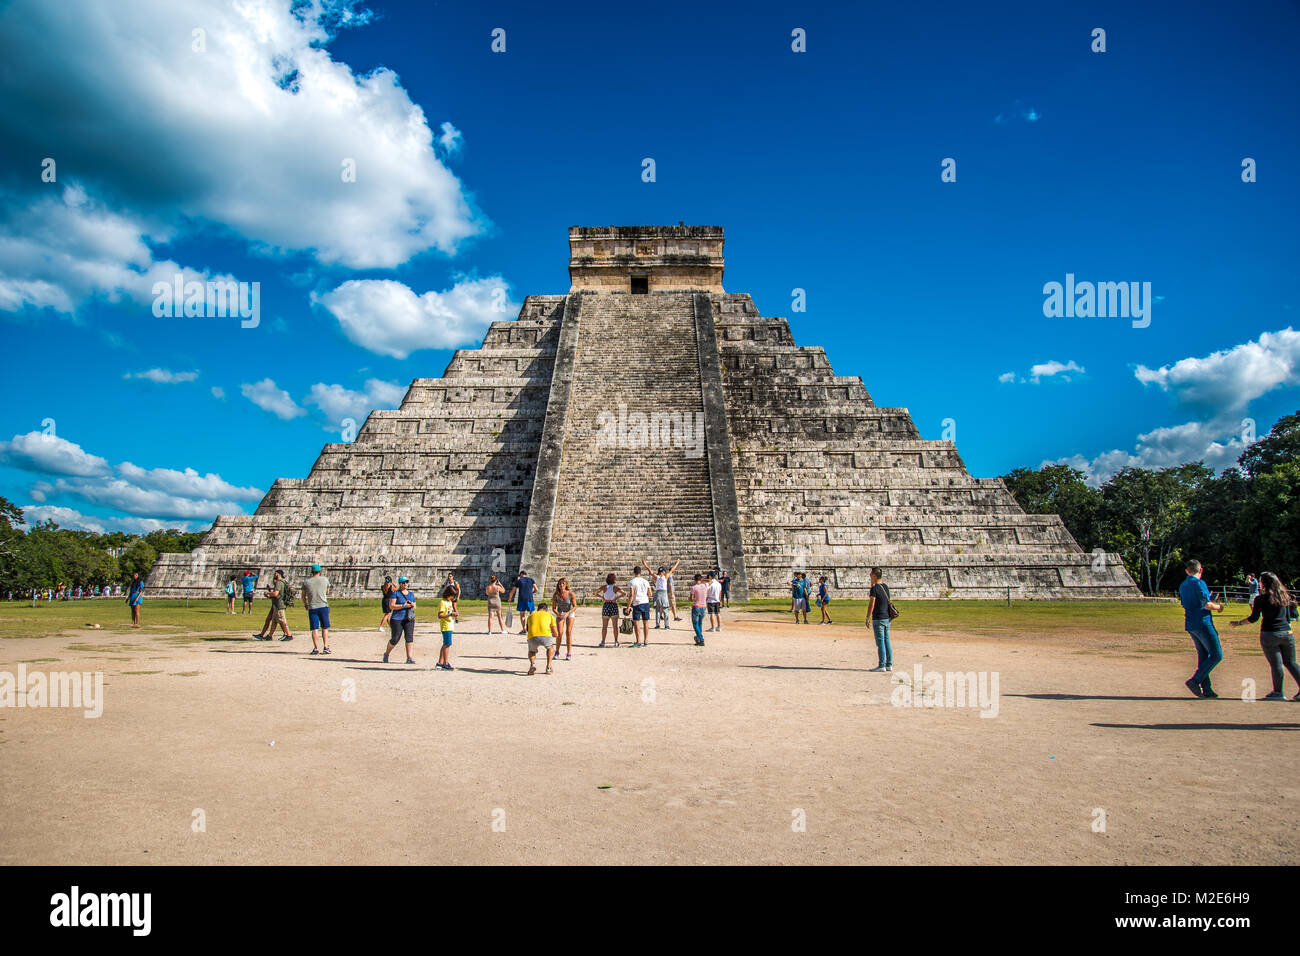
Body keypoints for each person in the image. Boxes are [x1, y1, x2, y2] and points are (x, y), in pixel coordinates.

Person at [1230, 571, 1300, 700]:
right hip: (1287, 633)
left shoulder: (1261, 599)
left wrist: (1239, 623)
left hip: (1270, 634)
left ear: (1264, 583)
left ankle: (1278, 692)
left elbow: (1254, 618)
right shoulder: (1285, 597)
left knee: (1276, 664)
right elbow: (1291, 616)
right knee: (1291, 662)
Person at [1179, 559, 1225, 698]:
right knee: (1217, 655)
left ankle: (1207, 688)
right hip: (1203, 622)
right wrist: (1218, 607)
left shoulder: (1183, 585)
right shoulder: (1199, 583)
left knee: (1203, 656)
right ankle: (1195, 680)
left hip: (1191, 623)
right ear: (1201, 570)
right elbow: (1207, 605)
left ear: (1187, 571)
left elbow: (1184, 603)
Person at [253, 570, 294, 643]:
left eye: (275, 573)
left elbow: (275, 594)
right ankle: (269, 635)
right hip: (277, 604)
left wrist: (267, 593)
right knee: (274, 621)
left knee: (282, 620)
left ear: (278, 574)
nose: (274, 575)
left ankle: (288, 635)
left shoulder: (279, 582)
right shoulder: (282, 582)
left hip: (279, 604)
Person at [383, 576, 417, 664]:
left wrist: (412, 605)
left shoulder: (411, 594)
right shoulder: (395, 593)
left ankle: (409, 657)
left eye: (407, 582)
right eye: (404, 582)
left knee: (409, 638)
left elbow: (415, 606)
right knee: (395, 638)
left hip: (409, 618)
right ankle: (386, 653)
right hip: (397, 619)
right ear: (400, 584)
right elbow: (392, 606)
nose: (406, 584)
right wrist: (403, 606)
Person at [866, 567, 892, 672]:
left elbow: (871, 604)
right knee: (886, 641)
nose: (869, 576)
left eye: (871, 574)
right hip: (886, 617)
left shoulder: (874, 589)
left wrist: (867, 617)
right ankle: (889, 664)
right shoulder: (885, 587)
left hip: (878, 618)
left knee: (880, 642)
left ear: (874, 576)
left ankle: (881, 665)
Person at [301, 563, 331, 655]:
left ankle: (316, 648)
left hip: (312, 607)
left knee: (314, 629)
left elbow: (303, 595)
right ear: (319, 571)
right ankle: (325, 647)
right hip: (323, 606)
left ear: (312, 572)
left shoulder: (306, 582)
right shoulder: (325, 580)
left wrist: (306, 604)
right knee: (324, 628)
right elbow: (327, 592)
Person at [644, 557, 680, 630]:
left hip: (657, 593)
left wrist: (645, 565)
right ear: (663, 572)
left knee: (657, 610)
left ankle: (657, 625)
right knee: (665, 609)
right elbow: (672, 569)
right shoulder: (665, 577)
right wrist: (677, 563)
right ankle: (666, 625)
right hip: (663, 593)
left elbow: (650, 571)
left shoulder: (656, 577)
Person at [526, 600, 559, 675]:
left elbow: (528, 629)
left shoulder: (531, 616)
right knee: (550, 648)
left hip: (532, 636)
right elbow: (556, 633)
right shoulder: (549, 615)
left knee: (532, 651)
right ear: (546, 609)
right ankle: (548, 667)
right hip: (545, 635)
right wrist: (553, 634)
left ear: (538, 609)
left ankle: (533, 664)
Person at [593, 573, 624, 647]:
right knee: (615, 625)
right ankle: (616, 641)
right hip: (613, 605)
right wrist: (616, 598)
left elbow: (595, 593)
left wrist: (602, 597)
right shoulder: (615, 587)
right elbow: (624, 593)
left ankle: (603, 641)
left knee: (604, 626)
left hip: (606, 605)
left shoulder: (604, 587)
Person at [625, 566, 652, 647]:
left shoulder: (632, 582)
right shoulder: (645, 581)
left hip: (637, 603)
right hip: (645, 602)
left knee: (636, 622)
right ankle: (646, 640)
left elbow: (631, 595)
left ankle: (638, 641)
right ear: (641, 572)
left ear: (634, 572)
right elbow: (650, 594)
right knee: (646, 622)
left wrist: (628, 607)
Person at [552, 578, 575, 660]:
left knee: (568, 632)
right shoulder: (556, 595)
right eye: (560, 584)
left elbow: (575, 606)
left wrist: (568, 613)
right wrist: (558, 614)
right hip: (560, 613)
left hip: (569, 612)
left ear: (566, 585)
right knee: (559, 633)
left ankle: (569, 653)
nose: (561, 585)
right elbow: (553, 608)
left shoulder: (570, 594)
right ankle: (557, 651)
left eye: (563, 584)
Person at [508, 570, 536, 635]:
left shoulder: (519, 581)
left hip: (522, 599)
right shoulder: (531, 580)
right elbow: (536, 589)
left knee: (522, 614)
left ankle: (524, 629)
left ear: (521, 574)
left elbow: (513, 590)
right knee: (532, 614)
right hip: (530, 599)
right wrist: (531, 593)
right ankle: (532, 629)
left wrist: (510, 598)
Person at [436, 584, 457, 670]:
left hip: (449, 625)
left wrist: (453, 614)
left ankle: (440, 662)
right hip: (445, 626)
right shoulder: (443, 602)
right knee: (447, 644)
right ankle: (445, 662)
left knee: (445, 644)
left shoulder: (449, 602)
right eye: (452, 596)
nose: (453, 598)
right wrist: (450, 614)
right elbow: (440, 615)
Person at [689, 572, 709, 646]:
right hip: (703, 607)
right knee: (700, 623)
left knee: (695, 624)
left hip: (696, 606)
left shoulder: (694, 587)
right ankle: (698, 638)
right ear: (700, 579)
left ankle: (701, 638)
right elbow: (710, 581)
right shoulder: (705, 586)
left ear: (694, 580)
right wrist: (702, 580)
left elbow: (691, 598)